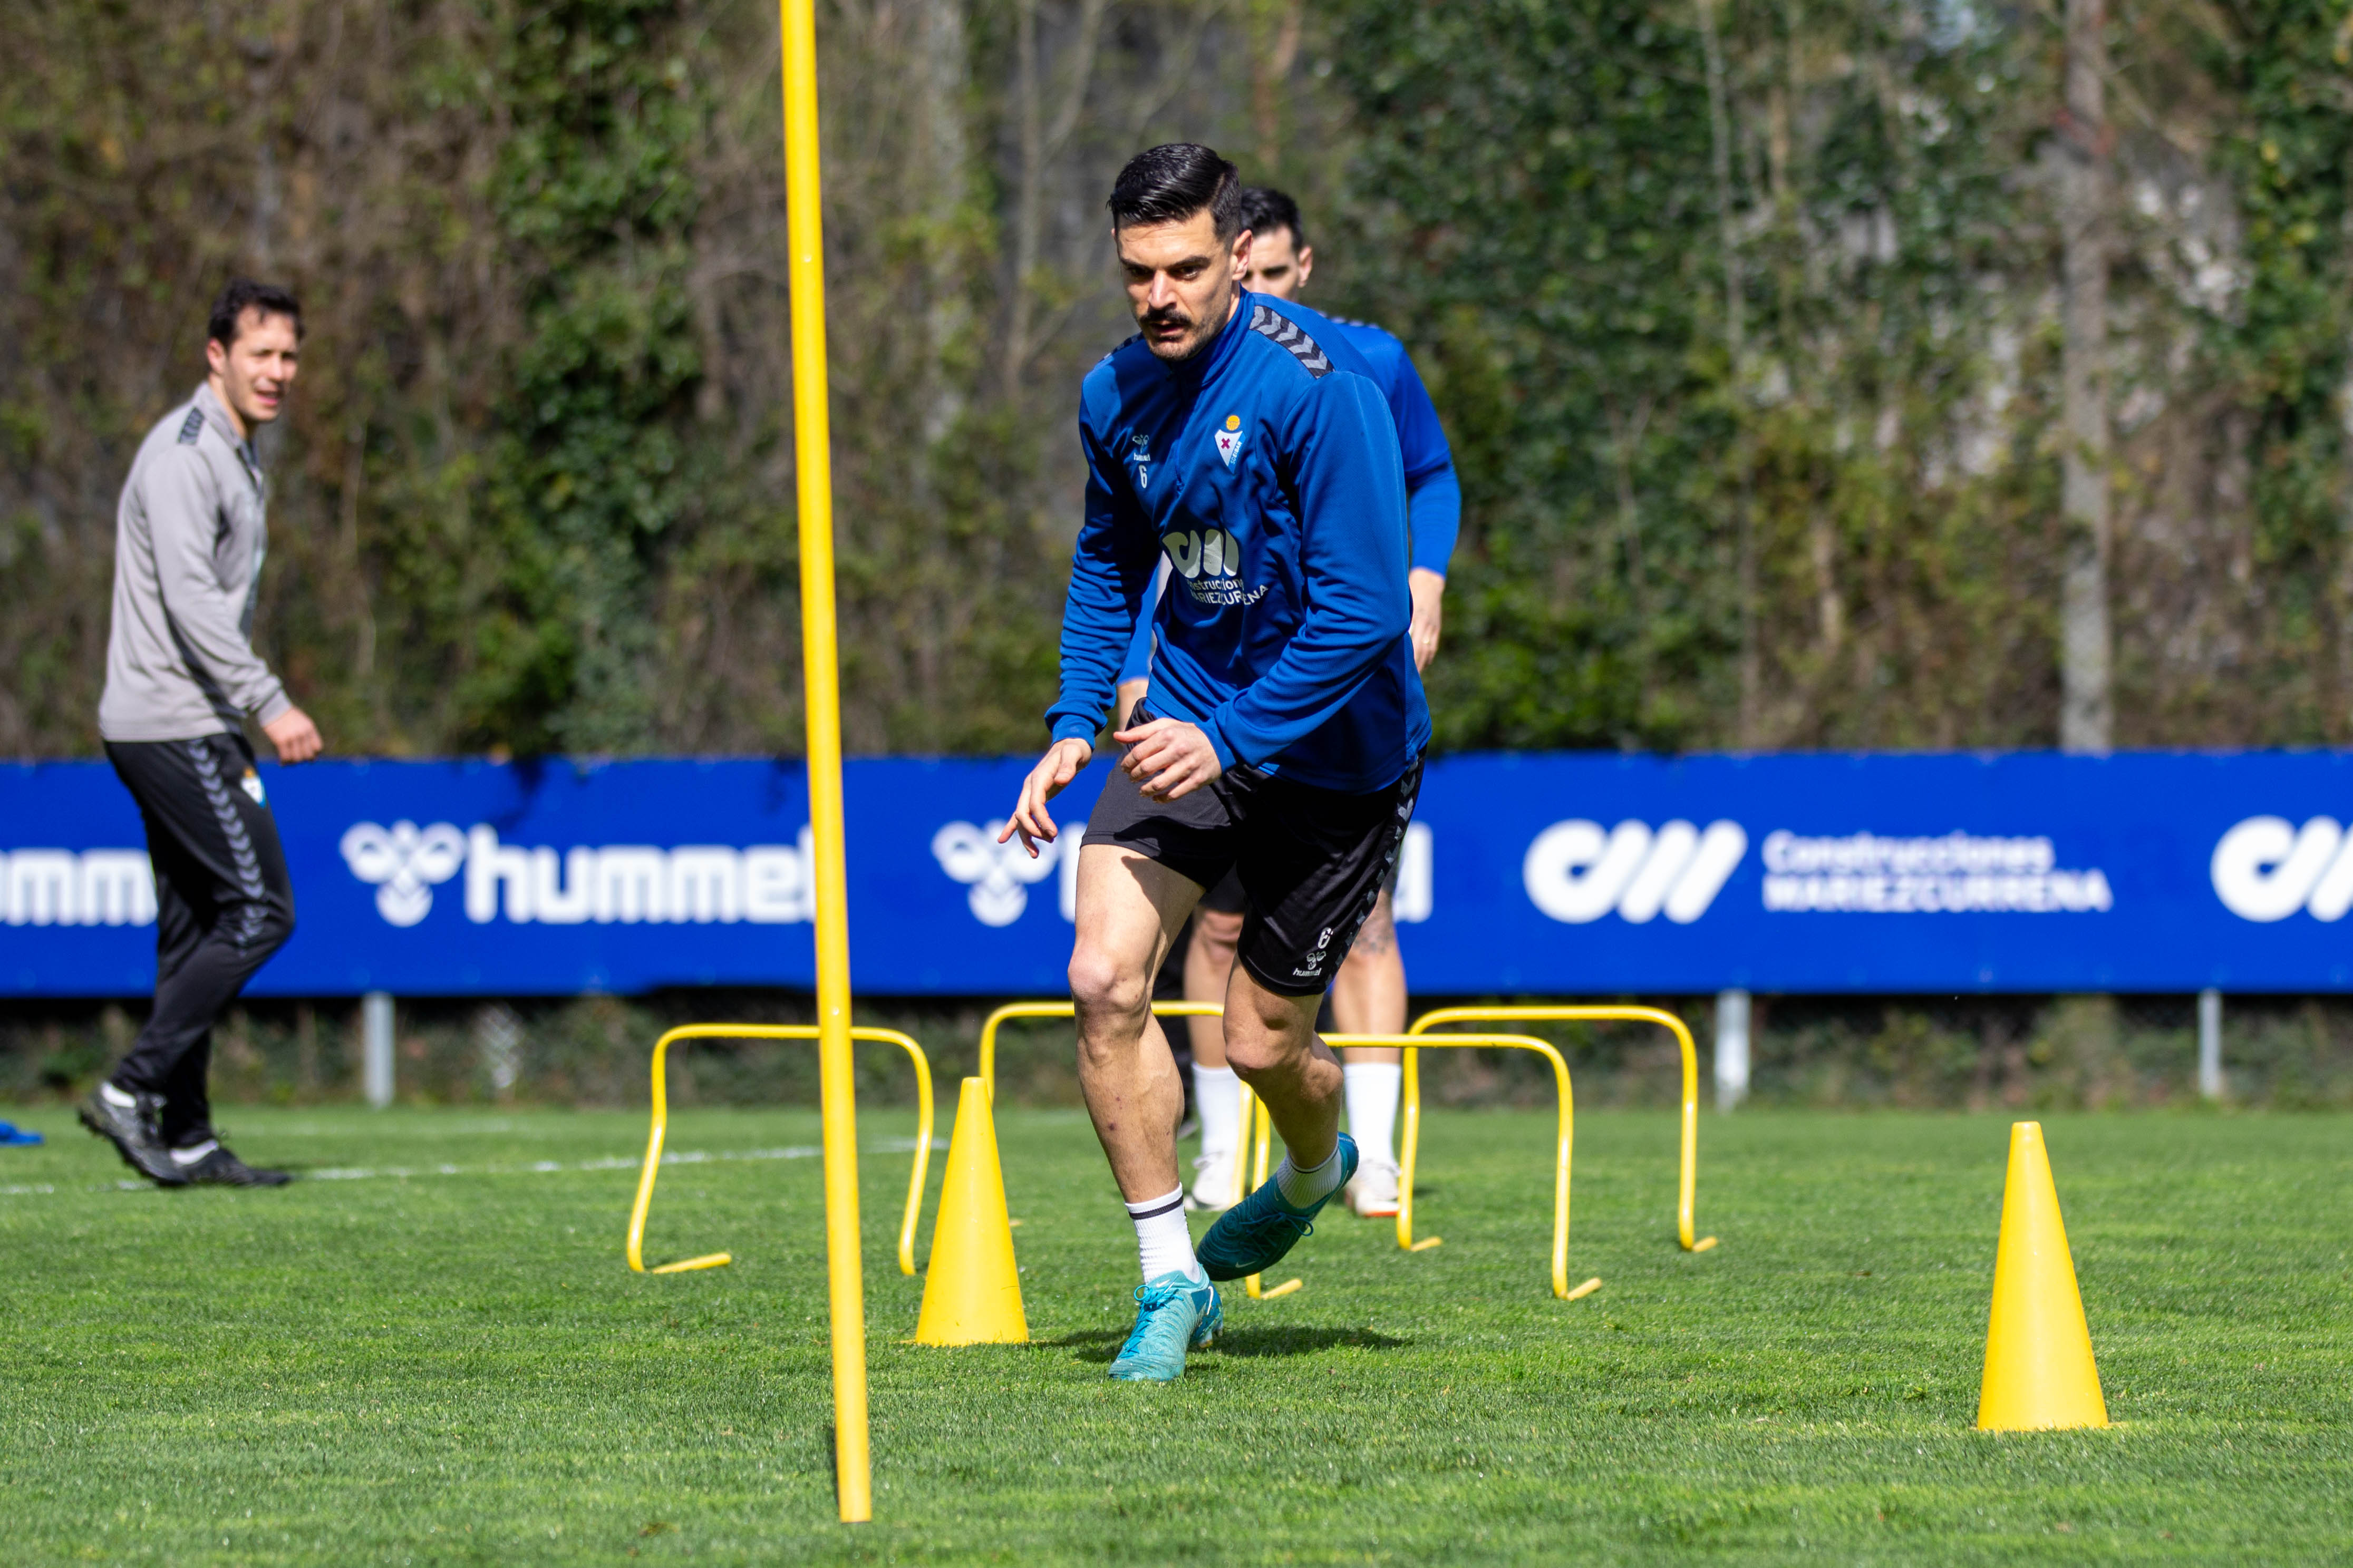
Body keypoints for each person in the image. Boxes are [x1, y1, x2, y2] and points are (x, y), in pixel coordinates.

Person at [1003, 144, 1427, 1382]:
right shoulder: (1113, 393)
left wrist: (1230, 737)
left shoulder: (1323, 392)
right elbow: (1108, 563)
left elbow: (1365, 612)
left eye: (1186, 268)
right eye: (1138, 272)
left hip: (1340, 754)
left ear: (1239, 255)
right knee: (1102, 977)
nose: (1161, 296)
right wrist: (1076, 719)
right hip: (1186, 724)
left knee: (1259, 1047)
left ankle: (1316, 1167)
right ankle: (1169, 1279)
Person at [1114, 186, 1459, 1219]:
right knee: (1214, 933)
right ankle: (1222, 1152)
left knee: (1367, 928)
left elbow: (1431, 475)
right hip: (1217, 700)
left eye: (1267, 276)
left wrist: (1425, 579)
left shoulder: (1360, 363)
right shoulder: (1171, 378)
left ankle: (1374, 1154)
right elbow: (1165, 545)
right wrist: (1133, 663)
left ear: (1293, 267)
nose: (1249, 294)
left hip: (1337, 712)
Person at [79, 279, 322, 1189]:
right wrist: (270, 701)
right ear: (216, 355)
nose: (278, 371)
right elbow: (190, 602)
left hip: (186, 717)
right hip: (175, 720)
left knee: (195, 932)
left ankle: (185, 1137)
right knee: (263, 911)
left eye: (289, 356)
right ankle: (131, 1089)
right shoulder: (187, 455)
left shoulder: (233, 451)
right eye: (261, 353)